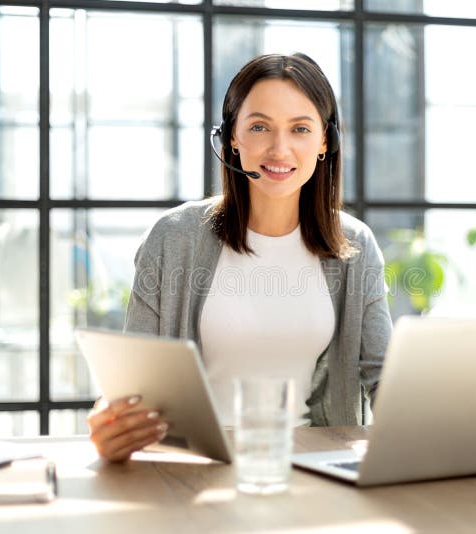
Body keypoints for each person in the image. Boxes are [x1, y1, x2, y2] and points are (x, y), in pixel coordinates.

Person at [88, 53, 392, 462]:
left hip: (312, 463)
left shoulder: (354, 244)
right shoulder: (174, 238)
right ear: (232, 136)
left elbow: (386, 381)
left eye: (300, 128)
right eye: (259, 126)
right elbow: (132, 387)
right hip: (194, 462)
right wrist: (112, 423)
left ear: (325, 141)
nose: (279, 149)